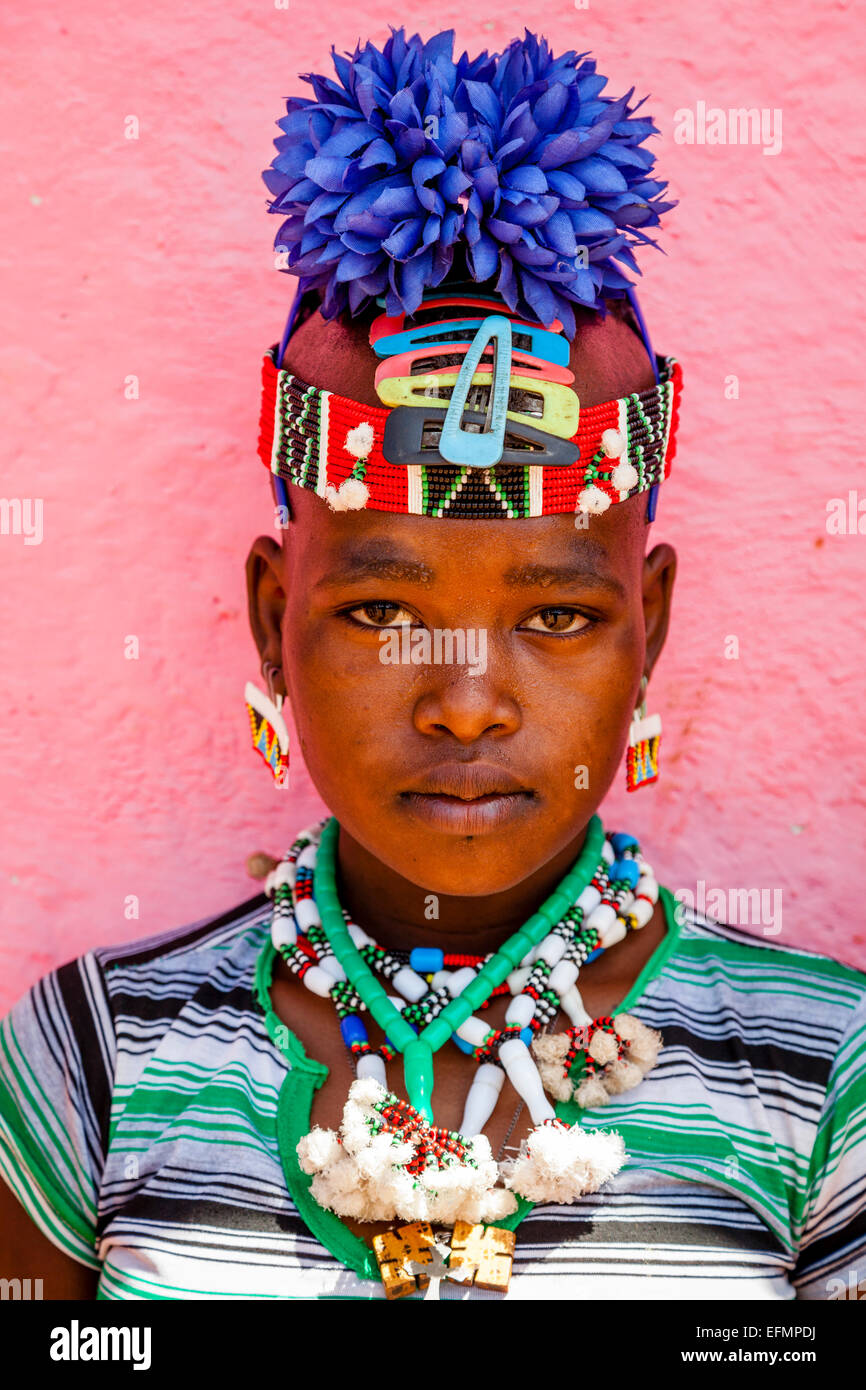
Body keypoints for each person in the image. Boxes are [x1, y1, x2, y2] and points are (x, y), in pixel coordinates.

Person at [1, 29, 864, 1302]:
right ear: (268, 621)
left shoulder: (820, 1074)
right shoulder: (99, 1055)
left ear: (653, 631)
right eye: (379, 612)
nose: (466, 699)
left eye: (558, 617)